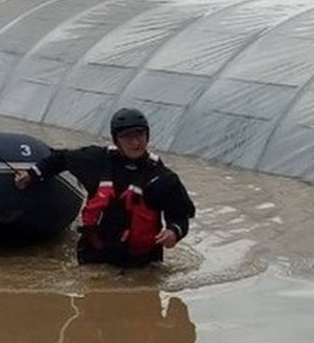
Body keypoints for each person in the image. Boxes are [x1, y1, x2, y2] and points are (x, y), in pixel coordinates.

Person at [14, 108, 195, 268]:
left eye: (140, 134)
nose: (135, 143)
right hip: (95, 256)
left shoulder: (163, 178)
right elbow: (61, 158)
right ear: (117, 140)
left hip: (142, 263)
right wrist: (32, 174)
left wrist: (173, 232)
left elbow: (181, 216)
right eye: (127, 137)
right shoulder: (95, 161)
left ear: (147, 136)